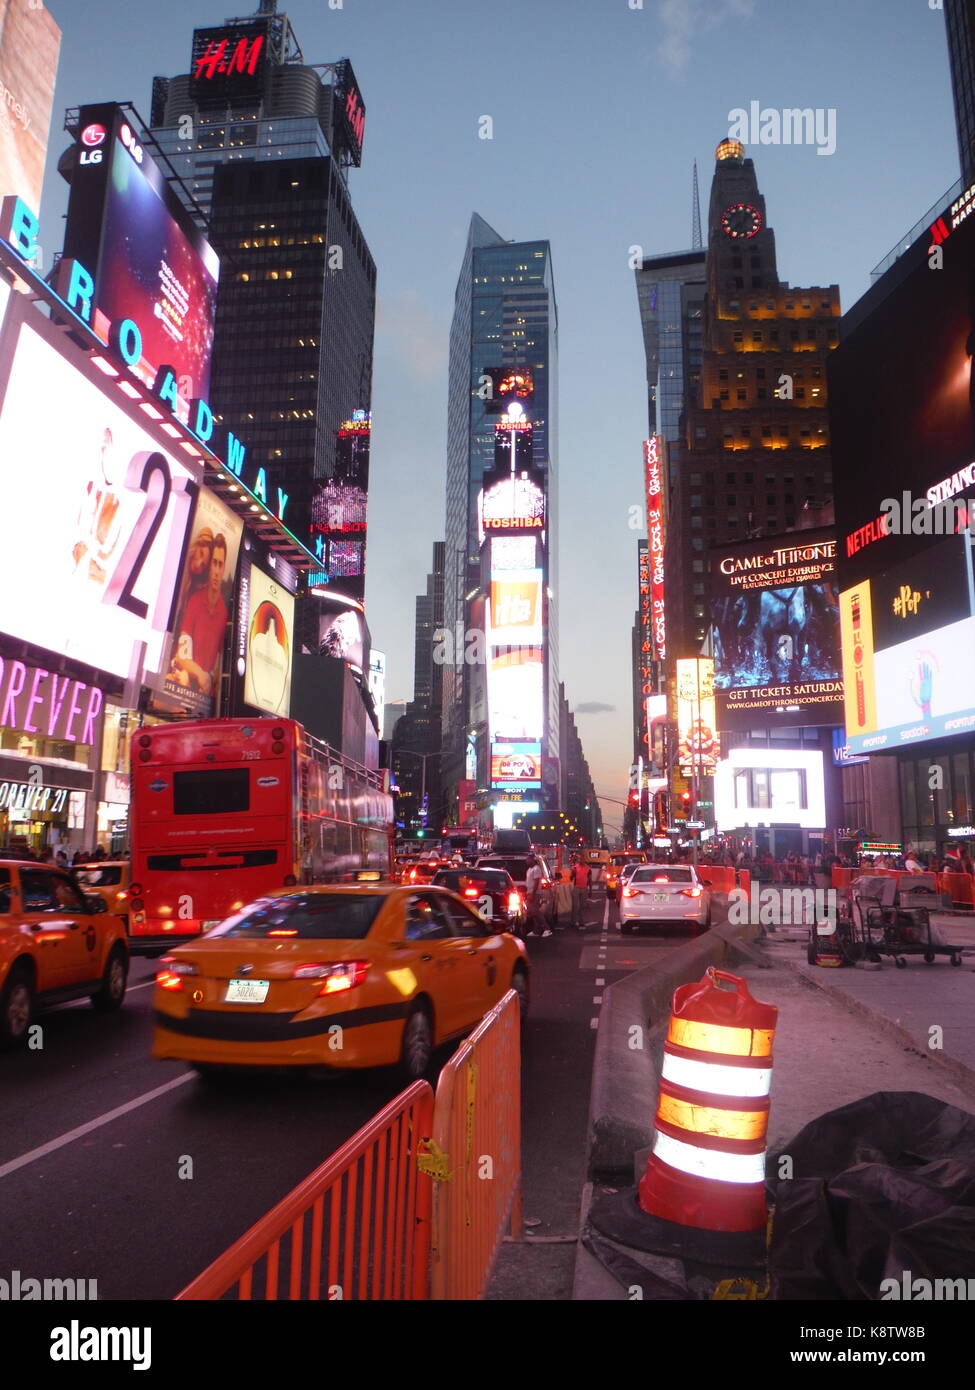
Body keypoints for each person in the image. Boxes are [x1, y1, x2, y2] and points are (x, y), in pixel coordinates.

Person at [170, 534, 229, 696]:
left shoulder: (223, 611)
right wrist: (201, 674)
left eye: (220, 565)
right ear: (209, 567)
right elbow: (181, 656)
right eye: (214, 564)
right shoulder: (195, 601)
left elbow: (218, 664)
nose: (216, 571)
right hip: (183, 689)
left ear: (224, 568)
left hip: (205, 697)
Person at [525, 859, 551, 937]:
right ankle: (536, 930)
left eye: (528, 860)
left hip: (535, 893)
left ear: (533, 860)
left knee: (535, 911)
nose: (526, 861)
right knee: (532, 912)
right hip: (529, 892)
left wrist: (532, 894)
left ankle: (547, 929)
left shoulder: (536, 869)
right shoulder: (529, 869)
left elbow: (536, 882)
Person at [570, 856, 591, 929]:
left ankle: (581, 922)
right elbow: (571, 878)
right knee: (574, 906)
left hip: (584, 888)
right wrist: (573, 873)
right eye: (579, 859)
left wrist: (590, 890)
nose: (580, 860)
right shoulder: (575, 868)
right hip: (576, 888)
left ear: (584, 860)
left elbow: (590, 880)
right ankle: (573, 922)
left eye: (582, 859)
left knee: (582, 906)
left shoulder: (588, 868)